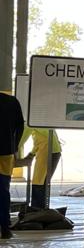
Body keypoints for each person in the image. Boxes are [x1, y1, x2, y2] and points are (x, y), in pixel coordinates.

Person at [1, 93, 25, 239]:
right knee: (3, 191)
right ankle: (5, 228)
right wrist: (14, 146)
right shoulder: (11, 101)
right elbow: (20, 126)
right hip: (6, 153)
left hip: (7, 151)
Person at [19, 128, 62, 208]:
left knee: (39, 183)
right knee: (41, 182)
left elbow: (19, 141)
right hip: (53, 152)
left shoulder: (28, 121)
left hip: (48, 152)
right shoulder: (38, 119)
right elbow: (39, 140)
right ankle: (39, 210)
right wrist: (32, 153)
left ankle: (37, 211)